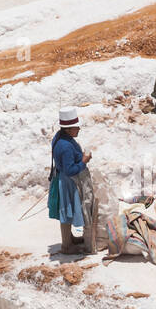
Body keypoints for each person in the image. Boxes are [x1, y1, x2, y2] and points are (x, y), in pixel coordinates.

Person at [48, 107, 96, 255]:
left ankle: (68, 239)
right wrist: (83, 161)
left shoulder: (60, 138)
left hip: (62, 178)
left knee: (66, 210)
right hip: (69, 182)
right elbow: (70, 170)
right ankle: (67, 246)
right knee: (67, 210)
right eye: (76, 127)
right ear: (68, 130)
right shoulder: (66, 146)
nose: (79, 129)